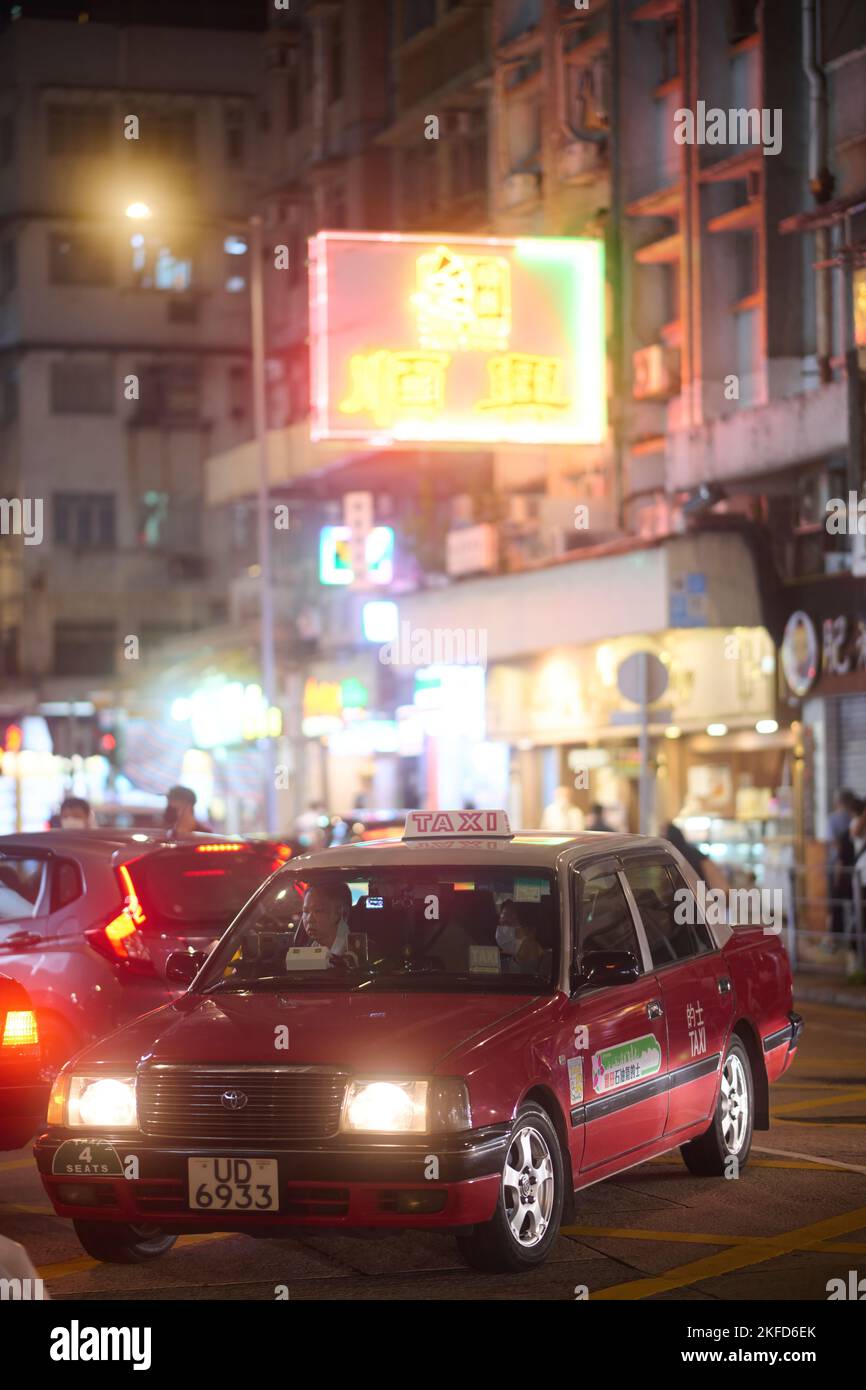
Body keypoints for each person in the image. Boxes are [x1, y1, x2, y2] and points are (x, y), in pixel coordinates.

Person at [294, 881, 356, 962]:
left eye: (318, 911)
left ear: (340, 912)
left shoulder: (357, 954)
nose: (309, 919)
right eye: (305, 911)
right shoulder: (307, 949)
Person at [664, 822, 728, 892]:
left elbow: (722, 889)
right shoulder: (697, 855)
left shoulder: (668, 857)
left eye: (662, 835)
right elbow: (723, 889)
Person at [496, 899, 545, 975]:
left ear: (530, 930)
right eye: (501, 923)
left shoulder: (554, 968)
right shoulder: (499, 969)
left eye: (508, 923)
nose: (502, 930)